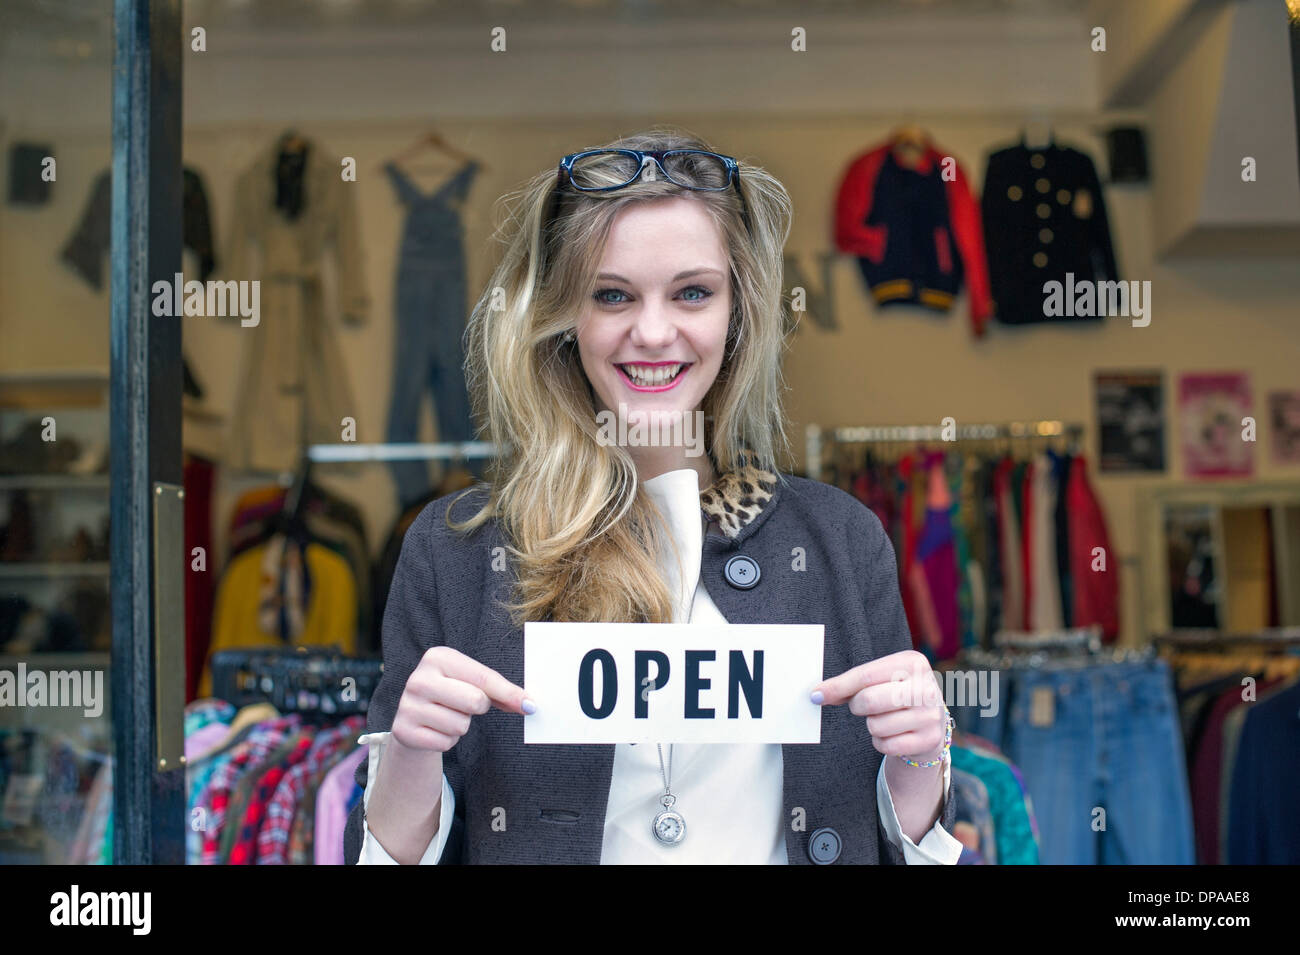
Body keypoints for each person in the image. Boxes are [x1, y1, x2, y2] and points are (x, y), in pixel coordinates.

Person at [345, 126, 961, 865]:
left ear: (738, 314)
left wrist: (921, 754)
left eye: (693, 292)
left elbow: (905, 842)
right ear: (563, 318)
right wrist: (411, 750)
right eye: (612, 295)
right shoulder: (456, 549)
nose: (654, 331)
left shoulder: (842, 540)